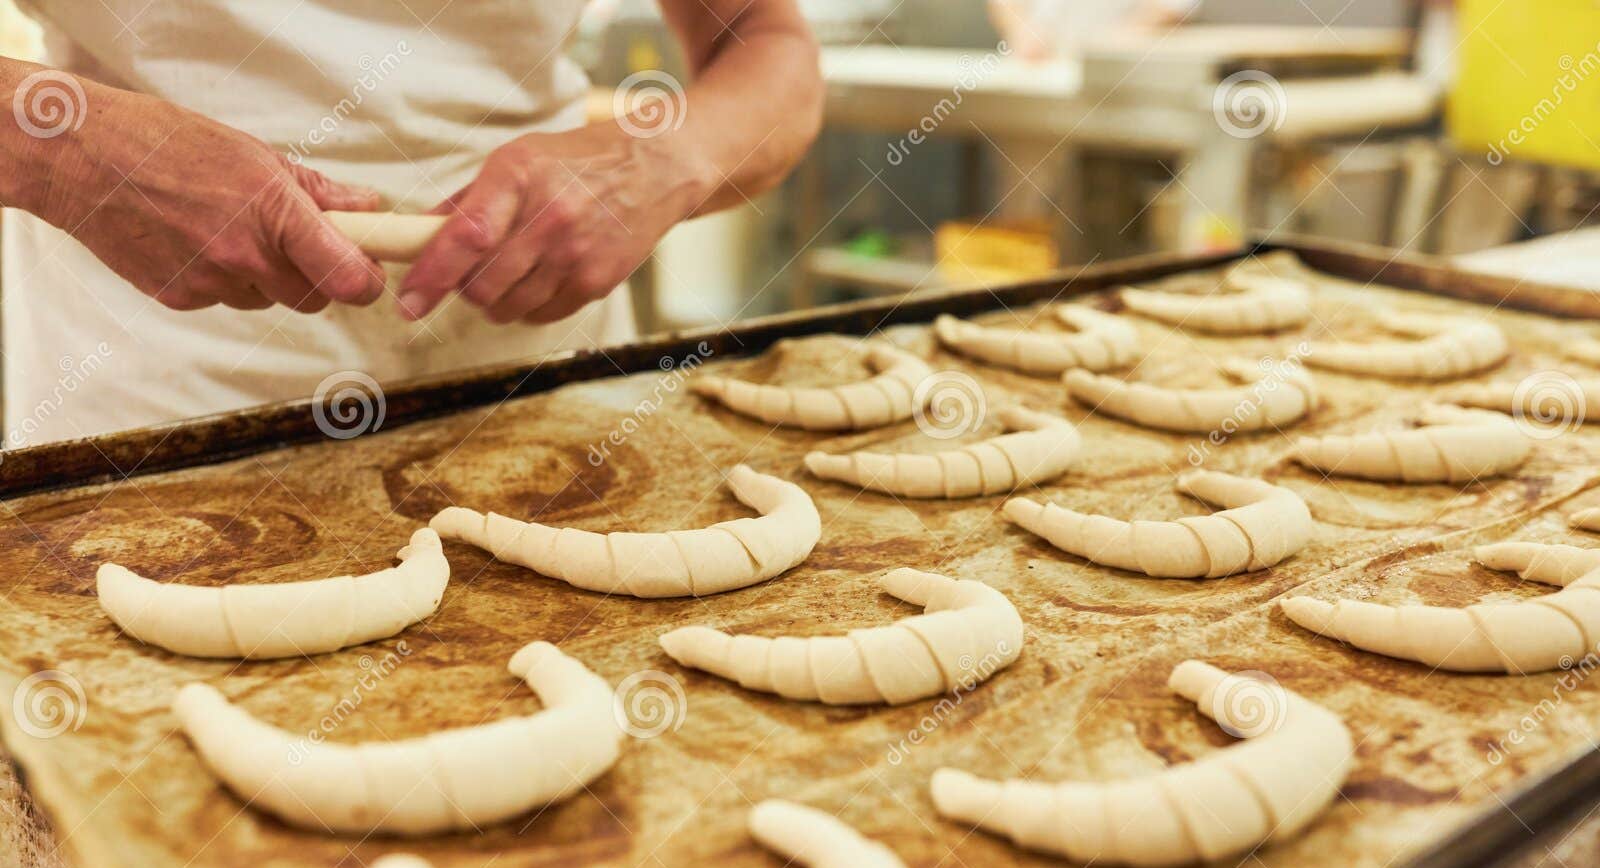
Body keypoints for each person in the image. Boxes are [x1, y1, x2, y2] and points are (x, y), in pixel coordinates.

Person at [0, 2, 822, 444]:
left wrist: (667, 158)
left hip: (545, 387)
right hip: (161, 400)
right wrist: (71, 151)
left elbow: (770, 39)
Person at [988, 0, 1198, 62]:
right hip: (1037, 70)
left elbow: (1174, 7)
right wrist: (1021, 28)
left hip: (1119, 72)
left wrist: (1114, 41)